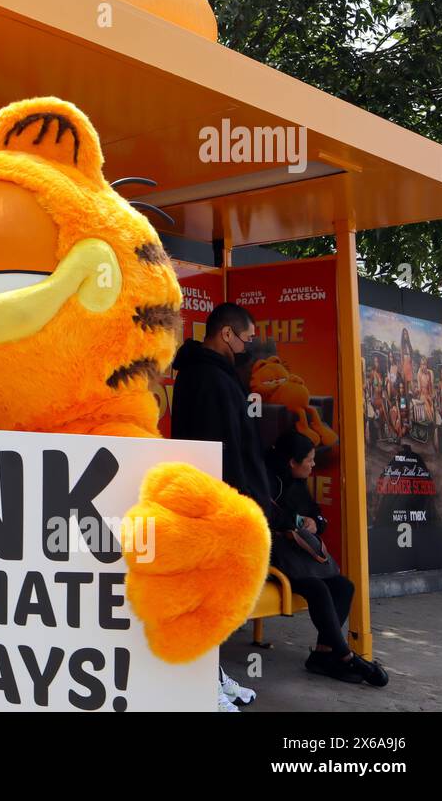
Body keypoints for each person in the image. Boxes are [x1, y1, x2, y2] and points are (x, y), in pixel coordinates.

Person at [170, 302, 271, 711]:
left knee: (213, 604)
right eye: (246, 338)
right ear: (226, 334)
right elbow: (221, 452)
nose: (248, 347)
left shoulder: (213, 375)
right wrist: (236, 504)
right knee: (206, 605)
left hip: (215, 506)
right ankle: (200, 686)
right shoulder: (208, 378)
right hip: (213, 510)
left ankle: (211, 675)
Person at [265, 431, 388, 686]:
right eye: (308, 460)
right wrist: (293, 523)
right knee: (319, 589)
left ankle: (323, 655)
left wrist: (314, 523)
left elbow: (318, 515)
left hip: (301, 558)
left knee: (344, 586)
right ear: (292, 462)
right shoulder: (268, 481)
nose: (313, 465)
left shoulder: (298, 484)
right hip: (275, 559)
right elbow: (267, 517)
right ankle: (345, 656)